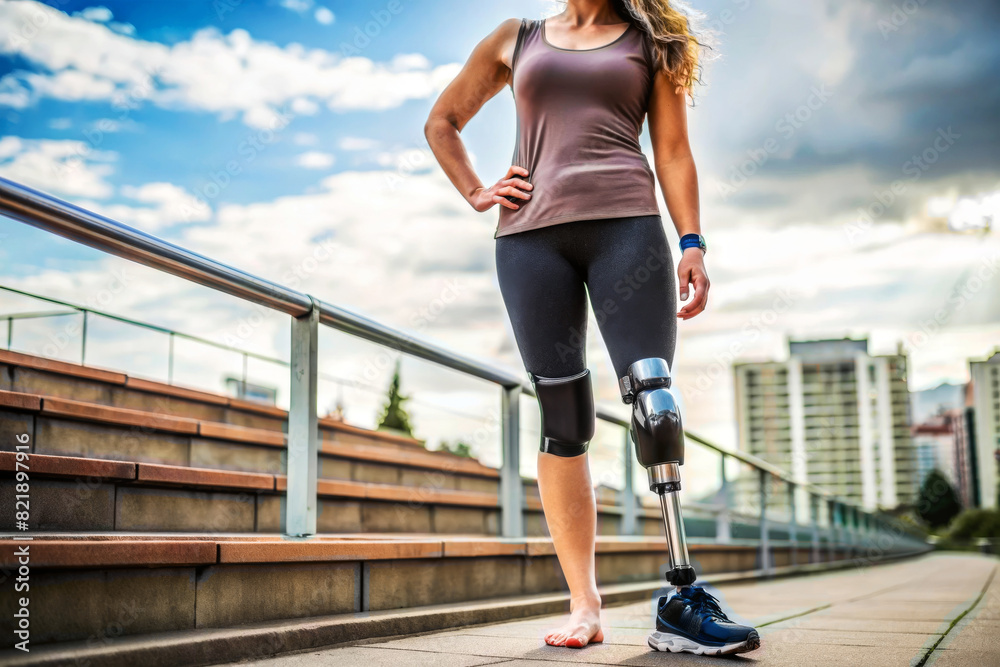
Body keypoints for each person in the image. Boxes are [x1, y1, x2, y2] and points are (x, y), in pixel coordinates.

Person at [424, 0, 759, 656]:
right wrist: (476, 191)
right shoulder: (513, 38)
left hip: (627, 230)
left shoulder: (650, 39)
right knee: (564, 417)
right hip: (529, 243)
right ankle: (585, 604)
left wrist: (692, 240)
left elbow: (672, 148)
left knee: (654, 401)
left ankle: (682, 597)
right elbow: (443, 121)